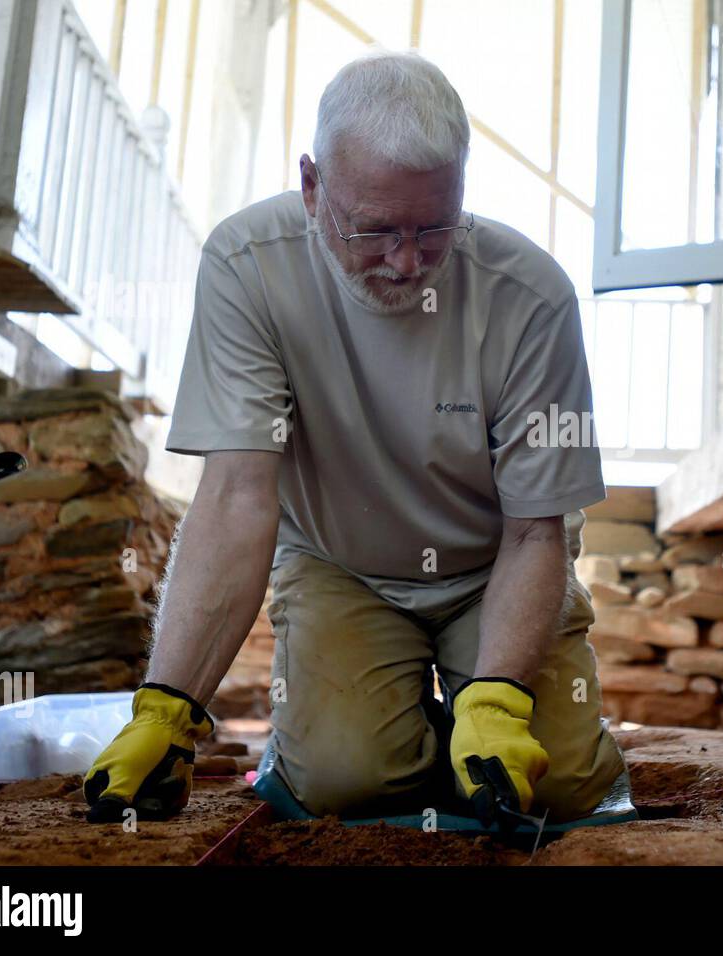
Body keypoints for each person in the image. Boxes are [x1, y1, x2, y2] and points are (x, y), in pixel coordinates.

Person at [83, 50, 626, 825]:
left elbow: (538, 531)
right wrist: (169, 710)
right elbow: (237, 497)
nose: (406, 263)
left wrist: (499, 701)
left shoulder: (532, 297)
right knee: (345, 781)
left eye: (433, 227)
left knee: (559, 786)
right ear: (312, 187)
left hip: (493, 570)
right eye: (374, 230)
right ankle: (386, 733)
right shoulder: (246, 269)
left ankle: (469, 715)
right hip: (342, 568)